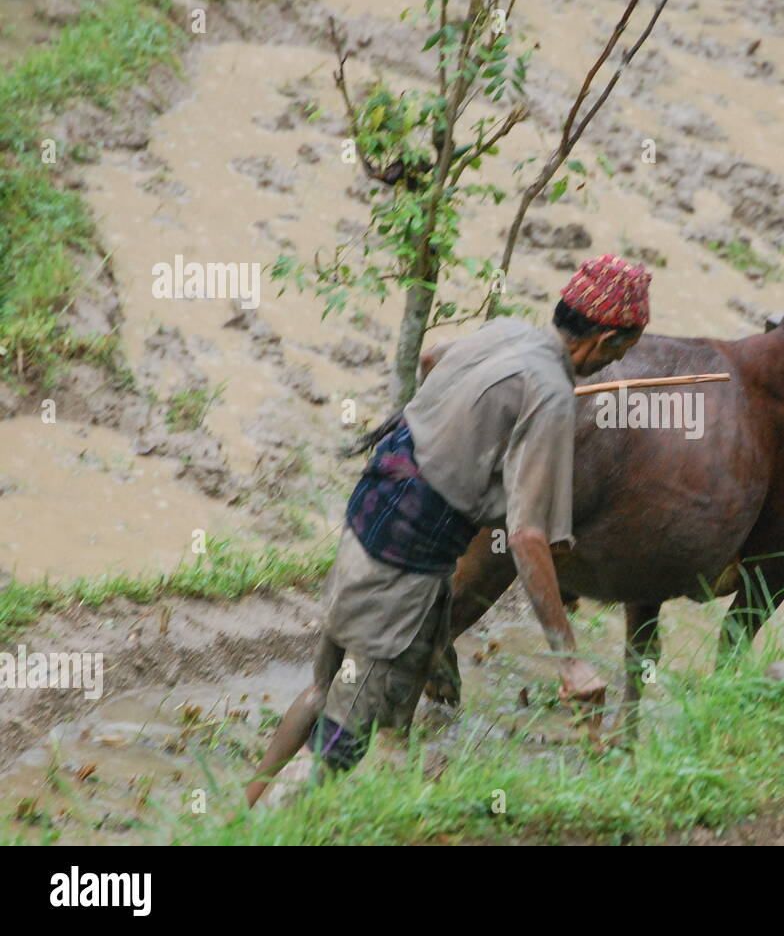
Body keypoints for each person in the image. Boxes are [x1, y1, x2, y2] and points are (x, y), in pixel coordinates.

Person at [246, 254, 651, 806]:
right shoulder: (552, 395)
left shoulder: (507, 331)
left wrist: (461, 429)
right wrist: (570, 660)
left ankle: (244, 807)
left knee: (325, 687)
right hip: (407, 556)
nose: (611, 364)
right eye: (619, 353)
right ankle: (265, 827)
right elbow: (528, 536)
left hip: (373, 510)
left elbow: (434, 358)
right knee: (342, 738)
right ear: (604, 341)